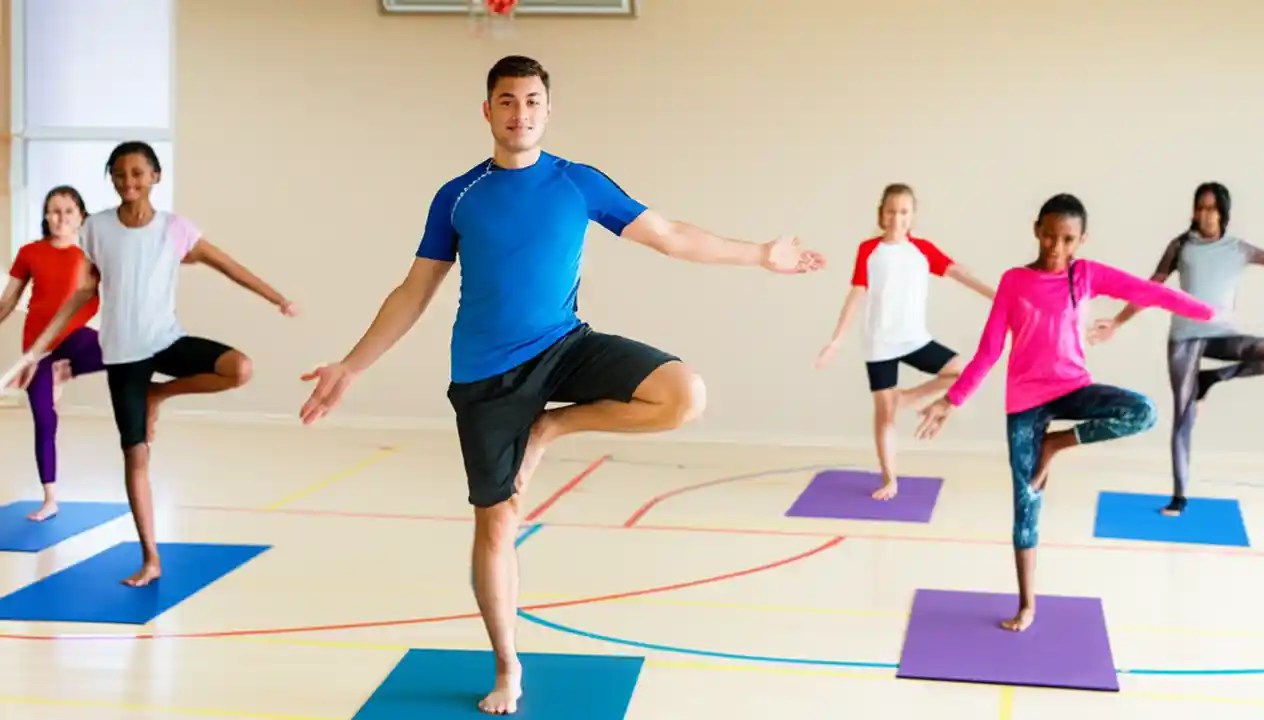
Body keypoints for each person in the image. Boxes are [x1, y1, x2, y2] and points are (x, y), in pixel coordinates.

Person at [297, 55, 825, 715]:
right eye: (508, 101)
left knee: (684, 394)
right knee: (498, 523)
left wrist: (760, 255)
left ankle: (554, 425)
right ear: (487, 111)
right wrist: (352, 364)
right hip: (486, 375)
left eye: (533, 100)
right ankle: (507, 665)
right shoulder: (458, 195)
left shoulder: (579, 183)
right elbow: (414, 291)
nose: (521, 112)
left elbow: (668, 236)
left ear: (549, 110)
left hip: (563, 346)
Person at [915, 193, 1215, 632]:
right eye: (1050, 235)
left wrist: (1206, 311)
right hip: (1025, 401)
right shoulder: (1014, 281)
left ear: (1082, 239)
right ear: (1037, 229)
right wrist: (951, 399)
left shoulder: (1086, 275)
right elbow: (989, 351)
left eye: (1068, 239)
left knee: (1143, 411)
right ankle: (1026, 606)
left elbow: (1147, 291)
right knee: (1026, 503)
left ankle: (1057, 443)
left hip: (1073, 389)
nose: (1056, 247)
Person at [12, 141, 297, 587]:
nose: (129, 182)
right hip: (123, 354)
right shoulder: (97, 229)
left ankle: (159, 393)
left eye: (138, 173)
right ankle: (150, 558)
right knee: (136, 457)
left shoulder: (175, 229)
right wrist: (37, 350)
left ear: (155, 177)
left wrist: (275, 296)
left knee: (240, 368)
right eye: (120, 174)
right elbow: (83, 294)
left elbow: (227, 265)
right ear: (111, 178)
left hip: (166, 341)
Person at [1089, 182, 1264, 516]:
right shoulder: (1180, 246)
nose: (1204, 214)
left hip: (1223, 334)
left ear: (1223, 212)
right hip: (1185, 337)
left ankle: (1213, 378)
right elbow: (1151, 287)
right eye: (1200, 207)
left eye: (1211, 208)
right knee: (1183, 413)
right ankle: (1179, 497)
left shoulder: (1239, 249)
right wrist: (1119, 321)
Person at [816, 183, 995, 500]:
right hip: (879, 341)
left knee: (962, 370)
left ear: (912, 216)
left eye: (903, 212)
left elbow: (960, 274)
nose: (897, 219)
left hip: (914, 339)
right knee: (884, 416)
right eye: (891, 212)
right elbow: (856, 295)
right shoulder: (869, 250)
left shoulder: (923, 250)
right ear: (881, 215)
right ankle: (889, 479)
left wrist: (998, 297)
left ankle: (907, 398)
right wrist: (836, 340)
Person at [0, 185, 103, 521]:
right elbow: (10, 299)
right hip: (37, 348)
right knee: (45, 421)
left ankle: (67, 368)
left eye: (68, 211)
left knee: (113, 347)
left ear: (80, 216)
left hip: (74, 337)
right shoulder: (30, 252)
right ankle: (49, 498)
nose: (60, 217)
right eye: (53, 210)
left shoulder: (92, 255)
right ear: (45, 215)